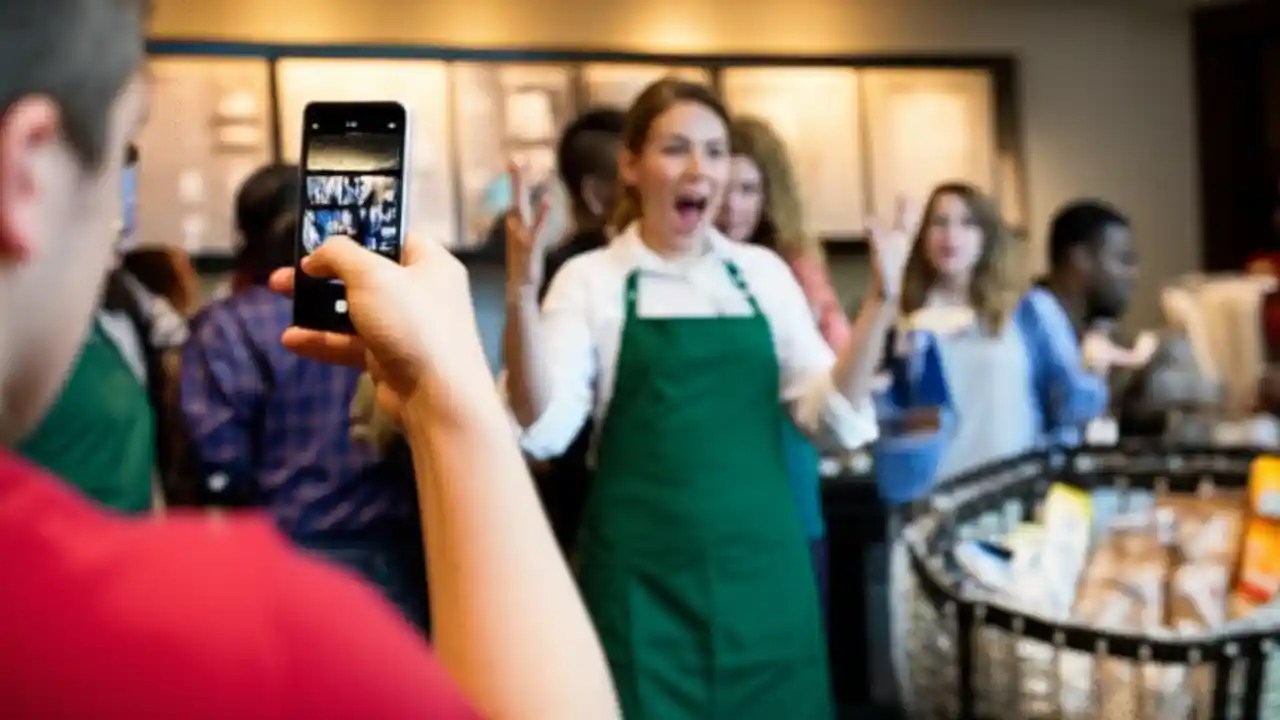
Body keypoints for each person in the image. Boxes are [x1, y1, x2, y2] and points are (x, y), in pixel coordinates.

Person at [0, 3, 616, 717]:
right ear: (28, 172)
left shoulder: (223, 330)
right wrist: (458, 408)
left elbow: (215, 457)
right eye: (120, 156)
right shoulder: (259, 642)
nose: (118, 226)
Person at [504, 77, 904, 718]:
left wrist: (882, 303)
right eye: (677, 149)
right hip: (641, 587)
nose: (701, 170)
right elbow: (542, 421)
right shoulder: (591, 281)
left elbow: (825, 414)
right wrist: (521, 297)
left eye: (715, 151)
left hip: (765, 584)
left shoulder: (762, 276)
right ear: (630, 166)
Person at [179, 166, 429, 631]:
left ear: (244, 236)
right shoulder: (379, 315)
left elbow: (220, 463)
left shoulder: (227, 327)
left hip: (283, 558)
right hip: (393, 558)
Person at [884, 183, 1109, 484]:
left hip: (1015, 486)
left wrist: (1094, 370)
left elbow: (1071, 403)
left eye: (967, 223)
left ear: (986, 237)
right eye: (939, 223)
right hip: (938, 492)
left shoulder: (1030, 310)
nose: (951, 235)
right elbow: (889, 420)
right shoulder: (904, 318)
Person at [717, 115, 845, 619]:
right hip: (707, 498)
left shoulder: (794, 271)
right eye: (722, 188)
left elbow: (838, 376)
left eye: (748, 189)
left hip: (786, 484)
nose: (732, 207)